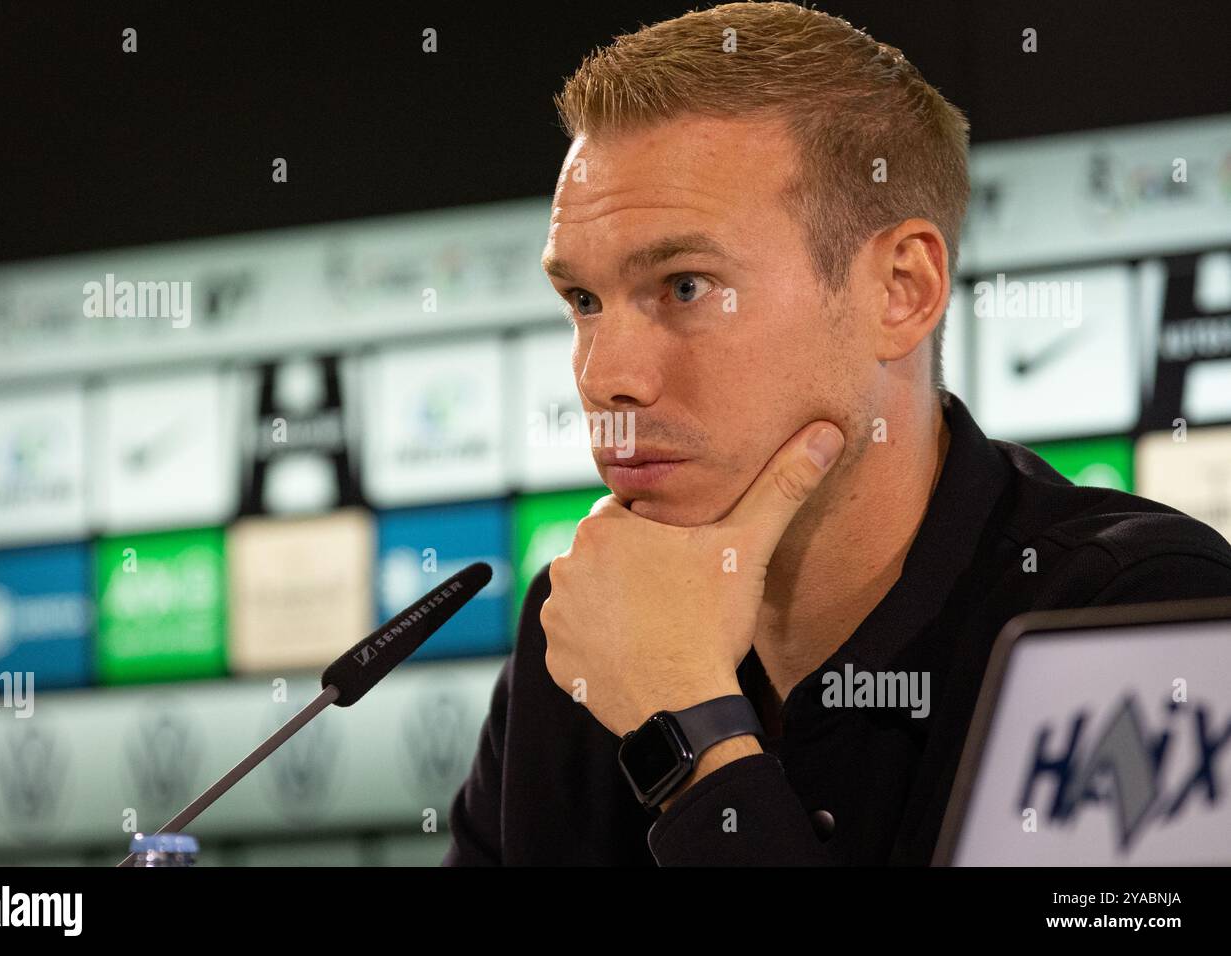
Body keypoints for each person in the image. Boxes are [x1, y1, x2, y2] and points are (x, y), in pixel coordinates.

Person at [443, 1, 1231, 865]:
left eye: (684, 287)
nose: (603, 377)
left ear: (902, 289)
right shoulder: (584, 626)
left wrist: (689, 732)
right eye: (583, 302)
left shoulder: (1139, 614)